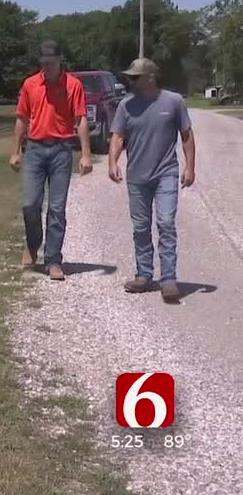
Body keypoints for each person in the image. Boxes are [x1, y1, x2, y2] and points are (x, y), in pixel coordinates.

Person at [107, 57, 195, 301]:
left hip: (166, 172)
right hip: (137, 177)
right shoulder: (126, 105)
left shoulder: (174, 102)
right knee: (140, 227)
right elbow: (117, 137)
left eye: (135, 77)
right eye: (130, 77)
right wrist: (113, 161)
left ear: (151, 77)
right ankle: (144, 275)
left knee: (166, 223)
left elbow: (186, 135)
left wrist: (190, 167)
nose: (130, 80)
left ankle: (168, 279)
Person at [10, 40, 92, 281]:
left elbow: (81, 120)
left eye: (51, 62)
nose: (47, 66)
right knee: (29, 204)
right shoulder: (30, 84)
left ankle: (54, 260)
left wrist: (86, 154)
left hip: (61, 150)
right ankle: (33, 244)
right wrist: (15, 151)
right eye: (43, 63)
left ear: (60, 60)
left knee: (56, 208)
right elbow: (22, 119)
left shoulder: (73, 85)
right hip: (35, 150)